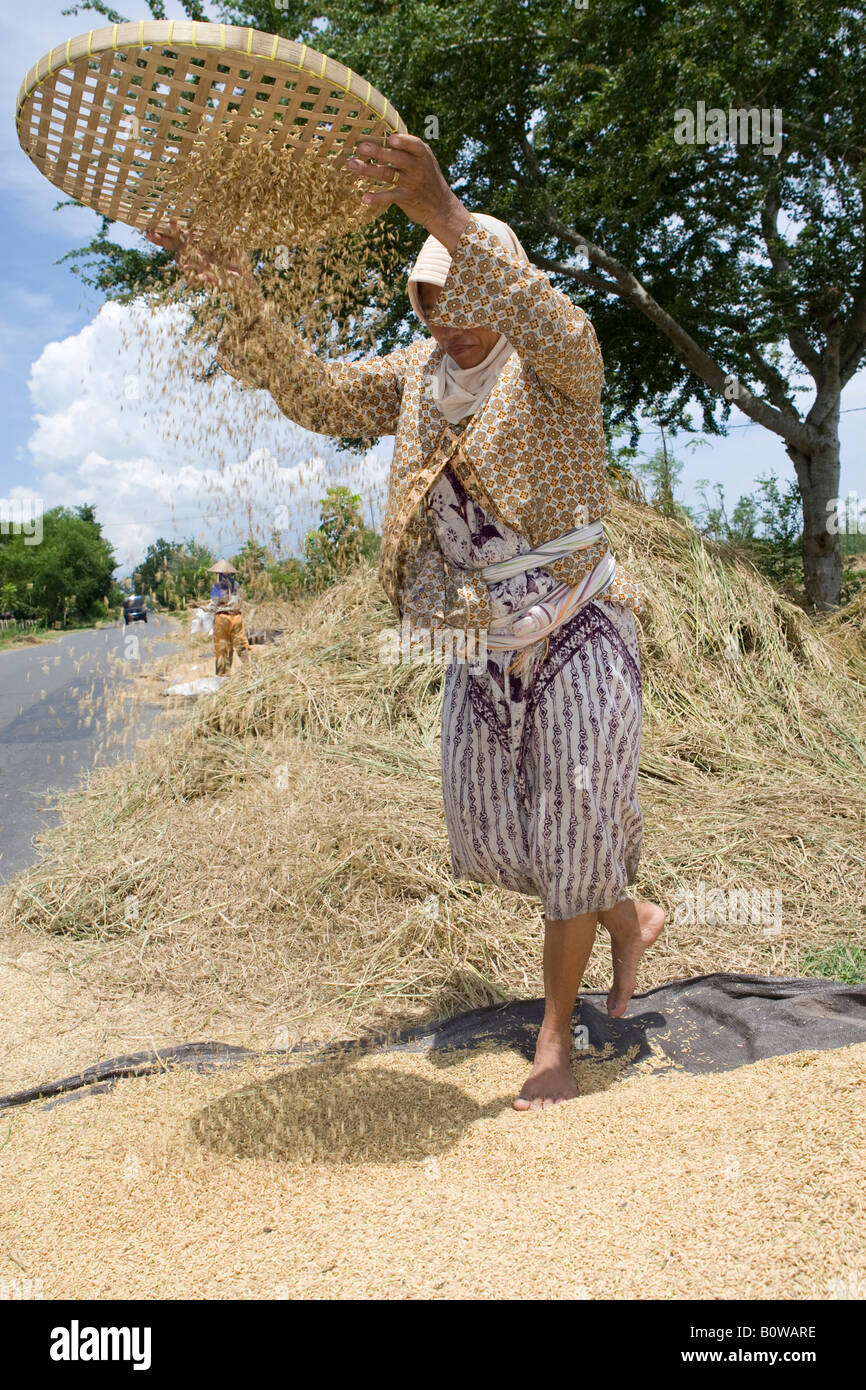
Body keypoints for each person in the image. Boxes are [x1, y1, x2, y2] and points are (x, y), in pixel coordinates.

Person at [147, 135, 665, 1111]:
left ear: (500, 282)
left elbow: (548, 314)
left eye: (470, 295)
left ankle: (555, 1039)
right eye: (433, 302)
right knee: (494, 838)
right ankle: (625, 913)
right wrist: (234, 288)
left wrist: (445, 213)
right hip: (477, 640)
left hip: (576, 625)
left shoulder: (556, 361)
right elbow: (314, 391)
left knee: (570, 825)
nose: (453, 322)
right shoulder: (419, 377)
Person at [206, 559, 250, 676]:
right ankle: (249, 669)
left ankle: (222, 674)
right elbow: (239, 600)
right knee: (240, 644)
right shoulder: (236, 585)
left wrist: (205, 609)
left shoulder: (217, 586)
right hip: (236, 617)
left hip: (223, 618)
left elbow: (214, 604)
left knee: (222, 647)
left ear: (219, 574)